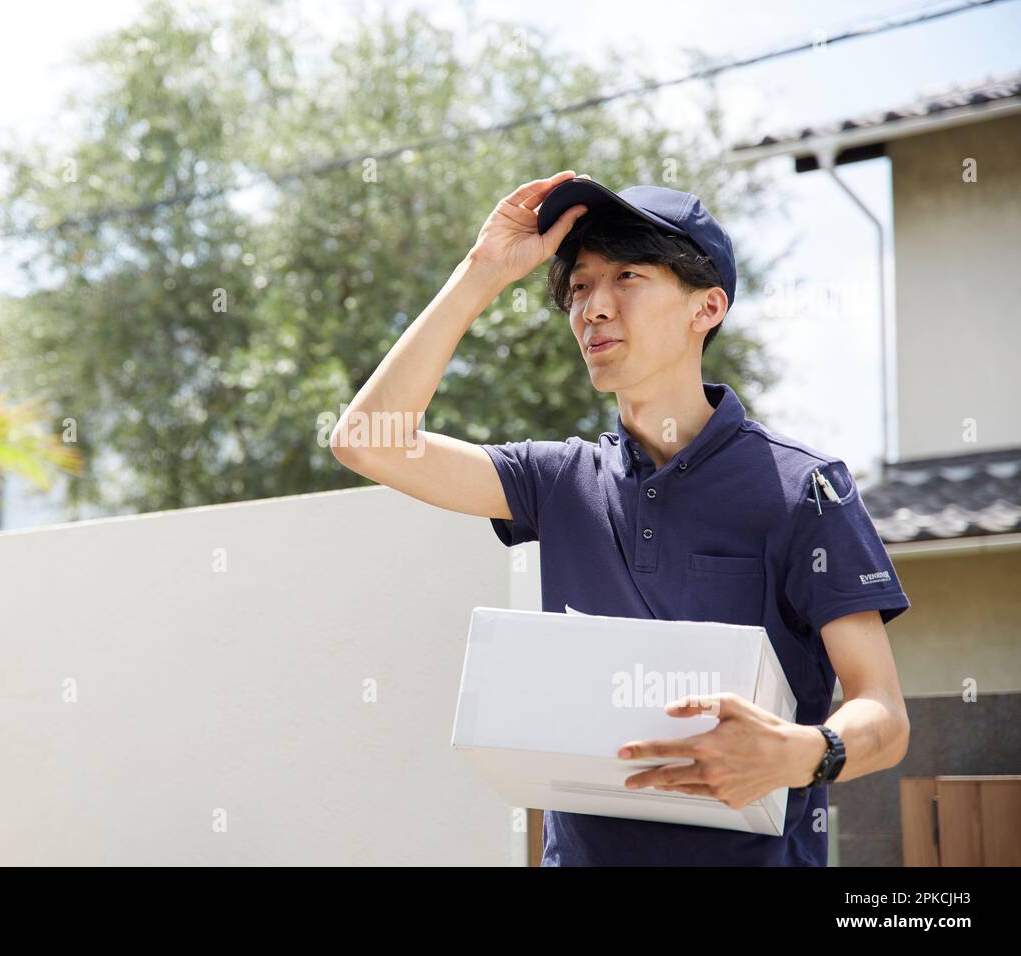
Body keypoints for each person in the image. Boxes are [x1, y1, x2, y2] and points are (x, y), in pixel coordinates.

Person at [331, 170, 912, 866]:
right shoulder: (556, 480)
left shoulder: (805, 490)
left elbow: (886, 715)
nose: (593, 308)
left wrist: (804, 753)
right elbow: (366, 441)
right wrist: (480, 273)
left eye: (628, 277)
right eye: (578, 288)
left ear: (706, 308)